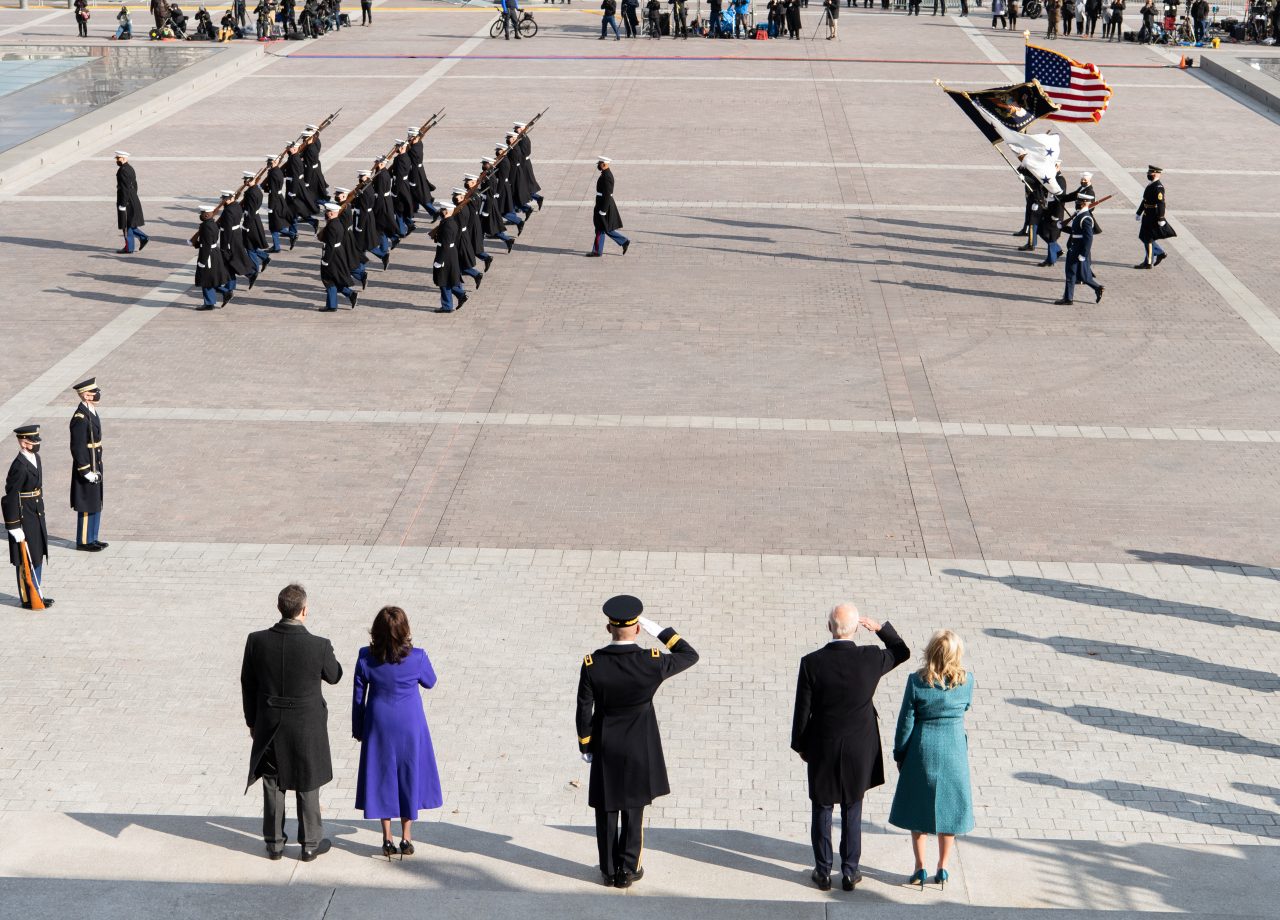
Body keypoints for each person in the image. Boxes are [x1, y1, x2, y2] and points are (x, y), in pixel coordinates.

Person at [576, 594, 698, 888]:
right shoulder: (651, 662)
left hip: (606, 743)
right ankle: (629, 869)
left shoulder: (593, 664)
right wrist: (662, 632)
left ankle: (608, 870)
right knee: (634, 808)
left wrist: (585, 744)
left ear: (609, 628)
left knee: (606, 808)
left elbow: (583, 709)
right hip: (639, 745)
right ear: (638, 629)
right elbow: (689, 654)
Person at [792, 604, 909, 892]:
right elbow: (901, 651)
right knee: (852, 807)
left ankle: (822, 872)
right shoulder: (870, 658)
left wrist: (802, 747)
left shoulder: (811, 663)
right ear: (856, 628)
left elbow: (802, 712)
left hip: (823, 746)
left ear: (829, 627)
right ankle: (849, 870)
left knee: (822, 807)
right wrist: (880, 629)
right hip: (859, 748)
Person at [242, 584, 342, 861]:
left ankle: (274, 844)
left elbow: (247, 684)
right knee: (307, 780)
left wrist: (252, 721)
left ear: (279, 608)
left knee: (272, 782)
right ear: (304, 610)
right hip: (306, 726)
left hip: (270, 723)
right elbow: (334, 676)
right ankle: (310, 843)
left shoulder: (256, 641)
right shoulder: (319, 645)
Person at [352, 606, 442, 859]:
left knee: (382, 776)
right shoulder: (417, 657)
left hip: (378, 723)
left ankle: (386, 837)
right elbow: (430, 682)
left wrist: (358, 728)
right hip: (409, 724)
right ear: (404, 630)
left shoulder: (365, 657)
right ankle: (406, 837)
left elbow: (358, 697)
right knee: (407, 773)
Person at [888, 630, 974, 890]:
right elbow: (966, 707)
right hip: (954, 752)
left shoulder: (917, 681)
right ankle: (943, 867)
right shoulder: (967, 681)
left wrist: (900, 753)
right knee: (950, 810)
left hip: (922, 750)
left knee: (919, 809)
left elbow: (906, 722)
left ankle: (919, 867)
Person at [4, 425, 53, 610]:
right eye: (33, 441)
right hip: (24, 515)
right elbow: (10, 496)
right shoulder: (19, 466)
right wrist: (13, 525)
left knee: (37, 553)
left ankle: (37, 593)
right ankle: (27, 598)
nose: (36, 444)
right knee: (26, 557)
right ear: (23, 443)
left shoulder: (35, 458)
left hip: (36, 512)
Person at [68, 379, 107, 553]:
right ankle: (84, 540)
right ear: (85, 395)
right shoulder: (80, 418)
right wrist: (85, 471)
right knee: (86, 503)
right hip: (86, 466)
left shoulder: (91, 411)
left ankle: (93, 537)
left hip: (95, 463)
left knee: (95, 502)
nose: (97, 395)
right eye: (93, 392)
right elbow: (77, 446)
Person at [1056, 197, 1104, 305]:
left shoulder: (1086, 218)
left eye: (1079, 203)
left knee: (1072, 273)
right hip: (1074, 248)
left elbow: (1088, 238)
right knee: (1080, 275)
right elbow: (1075, 231)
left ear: (1084, 204)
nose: (1077, 204)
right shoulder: (1079, 215)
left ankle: (1068, 299)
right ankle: (1097, 288)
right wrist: (1061, 226)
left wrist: (1084, 254)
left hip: (1078, 250)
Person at [319, 201, 358, 312]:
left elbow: (330, 246)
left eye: (327, 211)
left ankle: (332, 305)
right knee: (334, 279)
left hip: (332, 255)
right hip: (338, 253)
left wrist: (326, 260)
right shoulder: (337, 222)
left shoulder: (332, 226)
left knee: (328, 279)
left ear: (331, 213)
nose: (326, 213)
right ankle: (350, 294)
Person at [193, 204, 234, 310]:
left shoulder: (206, 226)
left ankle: (210, 303)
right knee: (211, 279)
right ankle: (224, 293)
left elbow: (206, 245)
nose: (200, 215)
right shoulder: (212, 224)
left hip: (208, 256)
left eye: (202, 214)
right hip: (214, 252)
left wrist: (202, 262)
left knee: (205, 279)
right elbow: (207, 241)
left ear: (206, 215)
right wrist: (196, 244)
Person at [1135, 164, 1175, 268]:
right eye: (1148, 173)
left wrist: (1161, 218)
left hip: (1153, 216)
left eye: (1150, 173)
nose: (1148, 174)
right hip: (1147, 215)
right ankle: (1160, 253)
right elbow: (1145, 200)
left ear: (1156, 174)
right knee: (1143, 237)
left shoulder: (1158, 187)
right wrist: (1139, 212)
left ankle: (1148, 262)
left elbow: (1161, 203)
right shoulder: (1151, 185)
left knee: (1148, 238)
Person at [432, 201, 469, 314]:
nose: (440, 211)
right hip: (450, 253)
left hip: (445, 254)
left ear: (446, 211)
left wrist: (440, 261)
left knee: (443, 280)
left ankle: (447, 306)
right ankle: (460, 295)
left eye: (442, 210)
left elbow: (446, 245)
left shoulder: (448, 225)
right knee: (447, 279)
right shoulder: (450, 222)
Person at [588, 157, 629, 257]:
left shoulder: (607, 176)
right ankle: (623, 241)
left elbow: (607, 194)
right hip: (601, 203)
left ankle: (597, 251)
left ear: (604, 164)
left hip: (603, 205)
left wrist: (603, 210)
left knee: (600, 227)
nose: (598, 165)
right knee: (603, 227)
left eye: (599, 164)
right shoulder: (605, 174)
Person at [114, 151, 148, 254]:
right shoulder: (129, 168)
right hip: (132, 199)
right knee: (130, 224)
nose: (117, 160)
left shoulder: (123, 170)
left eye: (118, 158)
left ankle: (129, 248)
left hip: (126, 201)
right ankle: (143, 238)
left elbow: (125, 189)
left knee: (126, 225)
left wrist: (123, 204)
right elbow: (135, 185)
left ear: (124, 158)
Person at [239, 170, 272, 271]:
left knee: (249, 246)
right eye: (245, 180)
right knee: (251, 245)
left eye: (248, 180)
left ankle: (254, 269)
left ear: (253, 180)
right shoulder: (254, 190)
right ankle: (264, 257)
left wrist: (246, 225)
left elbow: (251, 211)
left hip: (251, 221)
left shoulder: (252, 193)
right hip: (254, 220)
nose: (246, 182)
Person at [1036, 166, 1066, 268]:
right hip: (1047, 211)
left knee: (1051, 237)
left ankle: (1050, 260)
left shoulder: (1060, 180)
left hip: (1055, 214)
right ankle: (1057, 250)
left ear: (1058, 167)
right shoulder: (1051, 177)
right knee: (1041, 231)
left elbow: (1060, 199)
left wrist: (1056, 216)